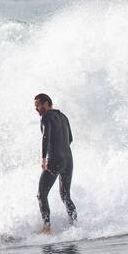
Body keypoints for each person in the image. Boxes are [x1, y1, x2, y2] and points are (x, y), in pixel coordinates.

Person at [35, 92, 77, 234]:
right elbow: (70, 138)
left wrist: (44, 158)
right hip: (68, 160)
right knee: (66, 196)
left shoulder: (46, 117)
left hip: (55, 160)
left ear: (46, 104)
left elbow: (46, 136)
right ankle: (75, 226)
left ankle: (47, 227)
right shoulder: (63, 116)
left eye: (38, 105)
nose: (36, 109)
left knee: (42, 194)